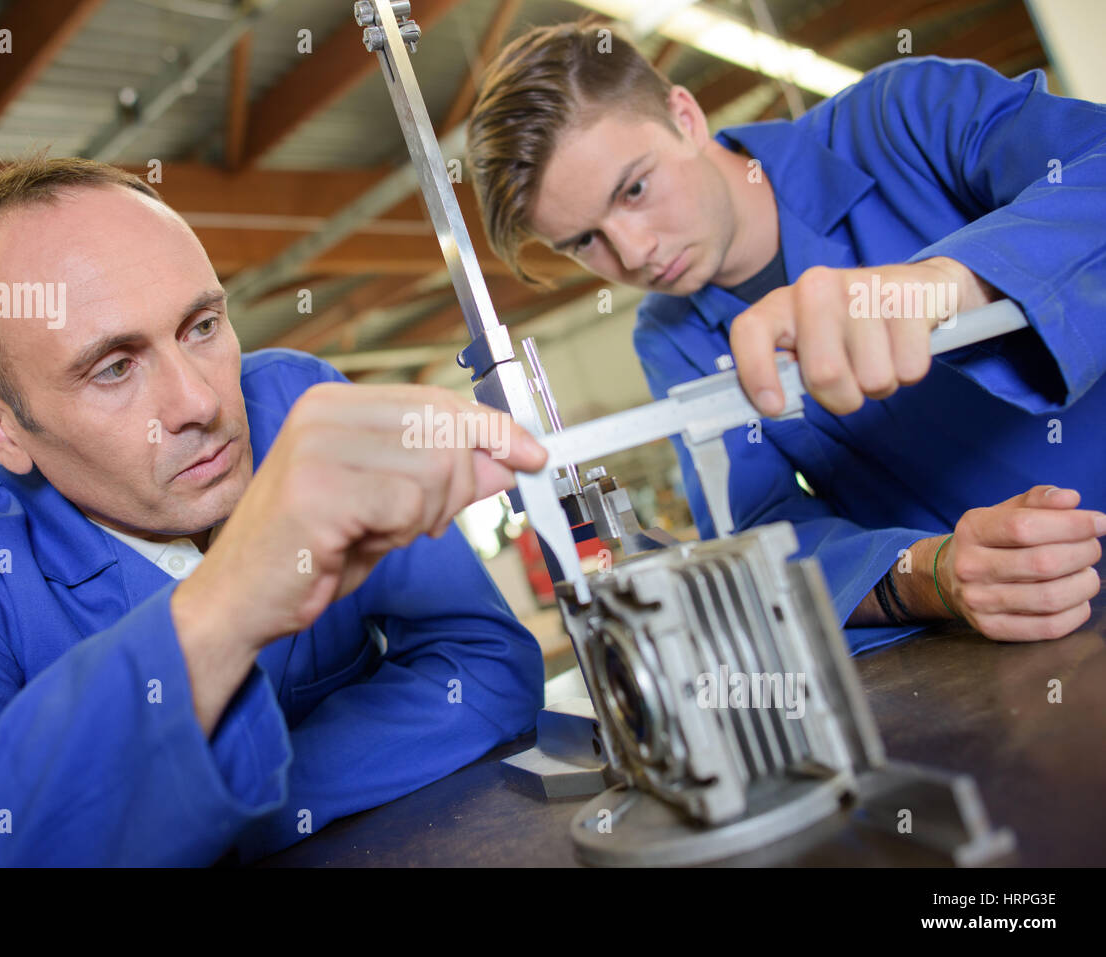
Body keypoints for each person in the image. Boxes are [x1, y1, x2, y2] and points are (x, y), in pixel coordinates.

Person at [0, 157, 548, 865]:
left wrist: (224, 809)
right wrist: (223, 610)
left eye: (200, 326)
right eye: (115, 368)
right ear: (0, 427)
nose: (199, 403)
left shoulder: (301, 408)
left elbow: (487, 668)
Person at [466, 22, 1106, 653]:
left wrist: (945, 284)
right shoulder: (669, 339)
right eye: (583, 241)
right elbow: (761, 528)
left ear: (684, 117)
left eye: (634, 188)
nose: (634, 254)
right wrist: (930, 574)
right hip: (1034, 634)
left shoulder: (904, 115)